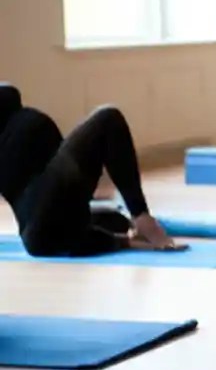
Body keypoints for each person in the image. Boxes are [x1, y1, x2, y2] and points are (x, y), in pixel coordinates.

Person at [0, 83, 182, 257]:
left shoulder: (14, 121)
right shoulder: (19, 125)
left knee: (116, 220)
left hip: (39, 238)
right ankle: (141, 218)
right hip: (46, 218)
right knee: (109, 118)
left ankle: (124, 237)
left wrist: (123, 243)